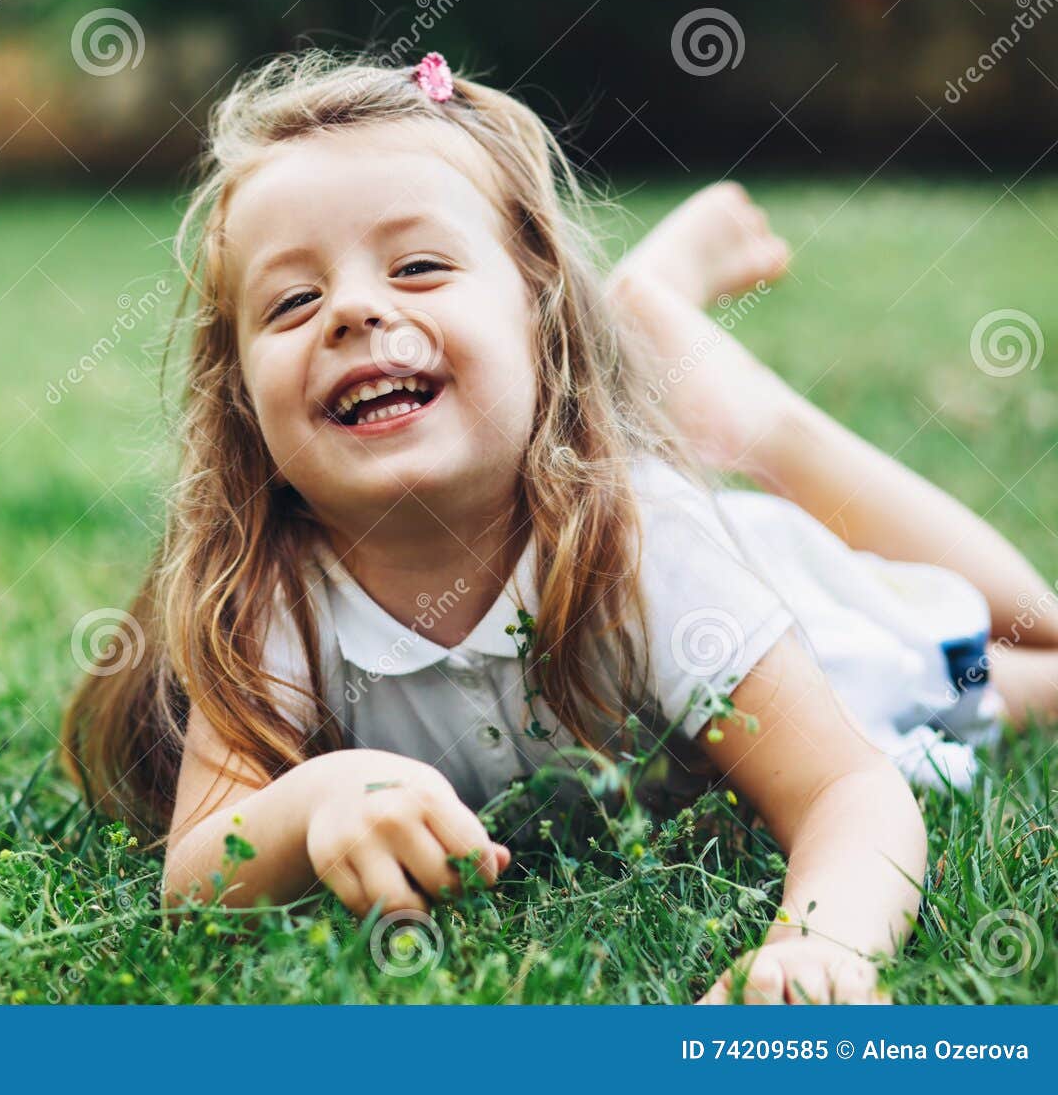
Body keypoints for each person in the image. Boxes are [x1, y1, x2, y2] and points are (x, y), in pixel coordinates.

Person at [60, 50, 1058, 1004]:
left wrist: (821, 940)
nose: (353, 310)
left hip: (835, 633)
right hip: (725, 589)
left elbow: (846, 783)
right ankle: (679, 356)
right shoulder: (268, 589)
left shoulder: (644, 544)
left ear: (541, 318)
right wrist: (317, 797)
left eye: (414, 266)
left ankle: (744, 412)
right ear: (240, 398)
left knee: (1010, 655)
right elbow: (196, 879)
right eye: (292, 300)